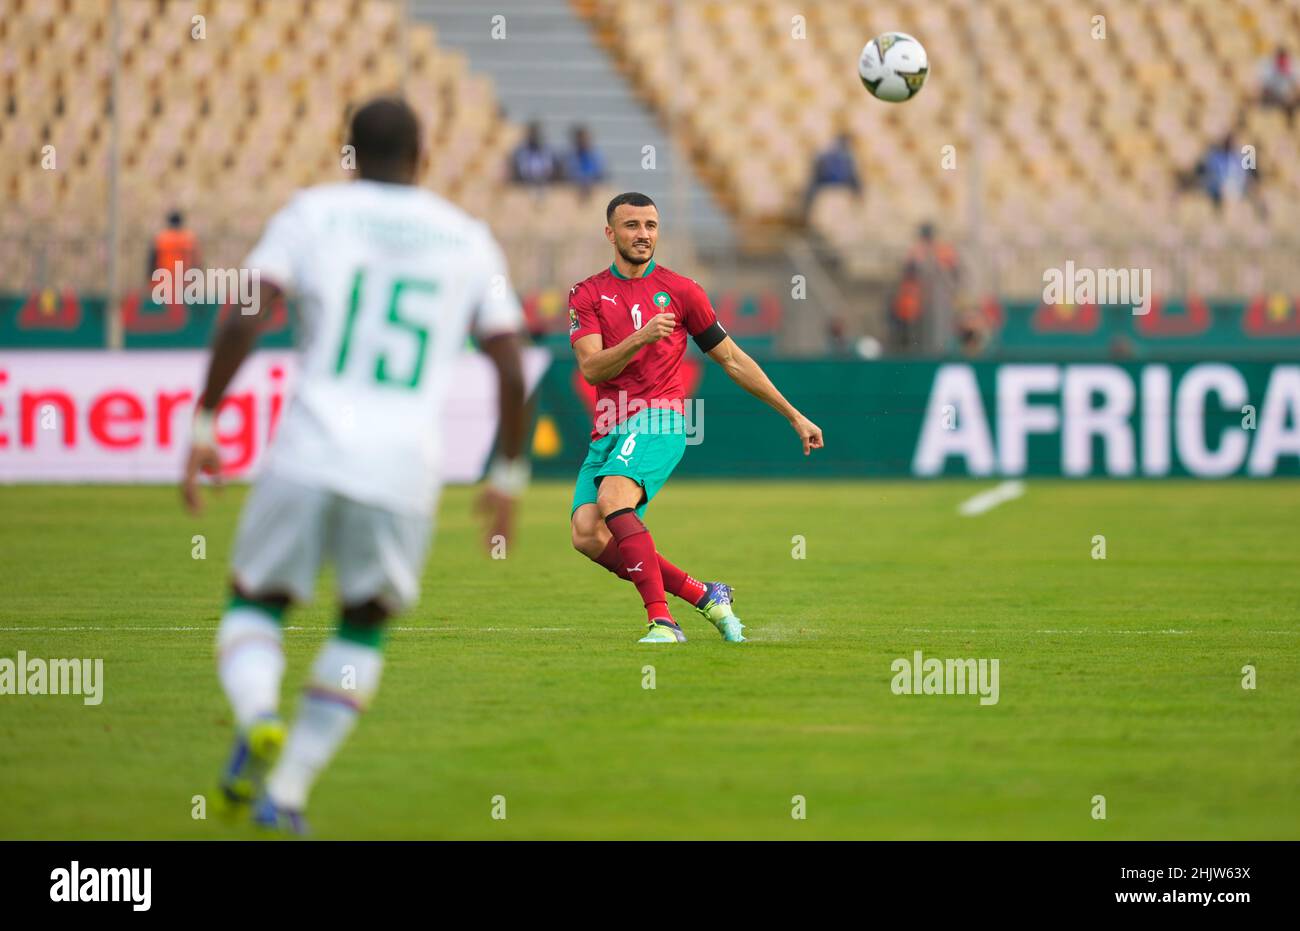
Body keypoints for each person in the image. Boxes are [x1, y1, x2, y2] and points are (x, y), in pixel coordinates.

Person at [181, 96, 528, 833]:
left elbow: (246, 312)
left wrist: (205, 419)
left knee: (257, 603)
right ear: (424, 156)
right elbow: (507, 362)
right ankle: (290, 792)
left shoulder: (312, 214)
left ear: (349, 151)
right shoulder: (467, 238)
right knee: (363, 626)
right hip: (403, 470)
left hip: (308, 449)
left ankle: (258, 713)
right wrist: (507, 478)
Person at [567, 192, 824, 643]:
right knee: (587, 534)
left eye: (650, 225)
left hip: (660, 418)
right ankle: (705, 594)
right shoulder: (586, 294)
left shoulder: (683, 291)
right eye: (631, 226)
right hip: (610, 423)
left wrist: (793, 415)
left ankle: (662, 621)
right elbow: (592, 369)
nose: (643, 234)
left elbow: (733, 360)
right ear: (610, 233)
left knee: (613, 501)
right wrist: (641, 338)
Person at [802, 133, 862, 219]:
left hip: (837, 189)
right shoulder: (841, 156)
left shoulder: (846, 156)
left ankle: (806, 214)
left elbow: (854, 177)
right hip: (830, 189)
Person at [148, 210, 199, 285]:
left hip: (163, 279)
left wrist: (150, 277)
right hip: (184, 279)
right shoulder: (189, 239)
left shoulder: (161, 238)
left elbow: (152, 261)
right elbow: (196, 262)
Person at [510, 120, 558, 186]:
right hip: (525, 185)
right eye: (532, 134)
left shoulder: (547, 151)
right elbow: (520, 171)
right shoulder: (521, 153)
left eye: (535, 134)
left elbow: (550, 169)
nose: (533, 137)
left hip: (544, 184)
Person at [562, 125, 607, 195]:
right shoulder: (569, 157)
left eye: (585, 139)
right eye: (580, 140)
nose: (583, 142)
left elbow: (600, 174)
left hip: (593, 191)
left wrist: (588, 182)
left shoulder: (597, 157)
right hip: (573, 191)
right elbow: (568, 174)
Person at [1258, 45, 1298, 125]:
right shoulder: (1267, 67)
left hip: (1289, 98)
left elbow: (1296, 87)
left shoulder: (1293, 66)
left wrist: (1292, 94)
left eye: (1284, 59)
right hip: (1272, 98)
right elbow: (1264, 88)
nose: (1282, 62)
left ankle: (1291, 124)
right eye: (1280, 59)